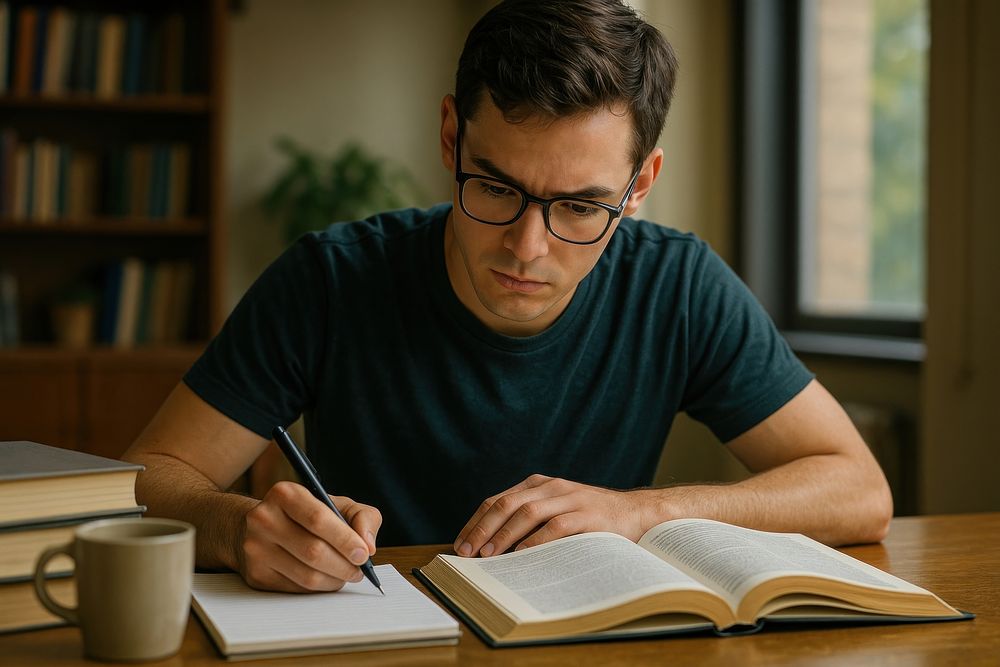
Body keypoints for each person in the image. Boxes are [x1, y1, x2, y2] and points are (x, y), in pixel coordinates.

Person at [123, 0, 892, 594]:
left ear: (640, 186)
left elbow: (858, 489)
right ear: (452, 138)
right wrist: (234, 527)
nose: (528, 248)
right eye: (495, 187)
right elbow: (144, 477)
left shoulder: (678, 285)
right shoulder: (330, 279)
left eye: (581, 208)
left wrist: (642, 511)